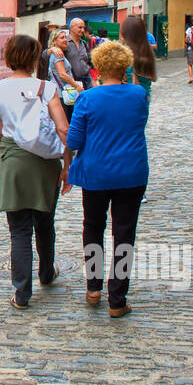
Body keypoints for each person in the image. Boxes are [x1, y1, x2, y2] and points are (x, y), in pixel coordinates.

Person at [61, 41, 149, 317]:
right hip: (131, 172)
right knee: (124, 233)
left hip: (96, 173)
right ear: (125, 67)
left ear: (97, 67)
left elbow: (74, 139)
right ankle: (117, 299)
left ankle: (93, 287)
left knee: (93, 227)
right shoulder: (138, 95)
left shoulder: (88, 98)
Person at [0, 35, 70, 310]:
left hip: (14, 161)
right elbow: (63, 129)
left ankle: (22, 293)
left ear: (8, 57)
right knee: (45, 223)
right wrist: (68, 165)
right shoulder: (46, 88)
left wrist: (5, 152)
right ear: (35, 58)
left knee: (19, 230)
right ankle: (46, 272)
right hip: (45, 163)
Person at [119, 14, 157, 104]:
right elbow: (153, 78)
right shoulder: (147, 51)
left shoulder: (126, 52)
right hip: (144, 96)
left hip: (129, 97)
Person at [48, 30, 83, 120]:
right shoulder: (57, 55)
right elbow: (62, 74)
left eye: (65, 37)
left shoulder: (59, 53)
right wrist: (76, 85)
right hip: (61, 94)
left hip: (63, 93)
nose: (65, 40)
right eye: (62, 38)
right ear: (54, 41)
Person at [64, 18, 93, 89]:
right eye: (80, 27)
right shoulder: (64, 42)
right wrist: (52, 50)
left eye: (83, 28)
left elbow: (90, 59)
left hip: (86, 80)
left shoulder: (84, 43)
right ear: (72, 27)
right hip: (72, 81)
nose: (83, 30)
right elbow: (45, 54)